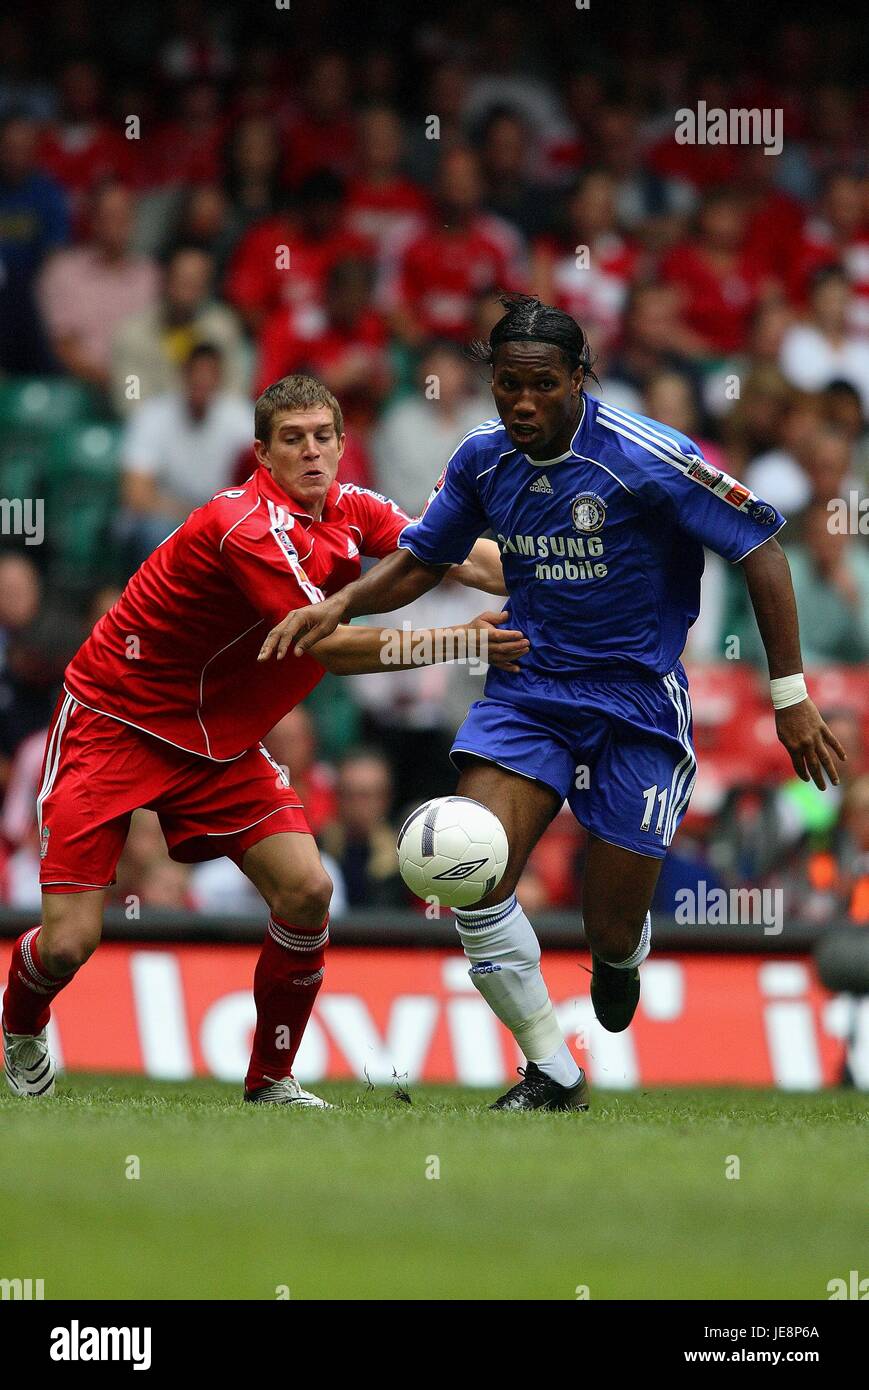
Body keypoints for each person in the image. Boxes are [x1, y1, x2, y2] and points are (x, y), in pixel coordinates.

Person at [261, 294, 847, 1113]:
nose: (522, 403)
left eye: (541, 384)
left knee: (607, 929)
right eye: (507, 385)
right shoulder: (480, 459)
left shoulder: (647, 455)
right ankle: (550, 1071)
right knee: (468, 867)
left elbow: (760, 548)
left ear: (579, 378)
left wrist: (789, 698)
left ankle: (619, 954)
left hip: (636, 701)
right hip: (528, 690)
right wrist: (342, 606)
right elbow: (424, 558)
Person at [1, 374, 514, 1108]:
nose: (311, 452)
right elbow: (327, 646)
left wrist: (552, 584)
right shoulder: (245, 526)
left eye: (323, 437)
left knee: (308, 891)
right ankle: (20, 1020)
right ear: (262, 455)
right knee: (68, 944)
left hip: (220, 741)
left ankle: (270, 1078)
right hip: (118, 721)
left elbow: (457, 556)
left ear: (342, 444)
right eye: (292, 440)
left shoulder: (351, 508)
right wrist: (457, 639)